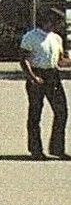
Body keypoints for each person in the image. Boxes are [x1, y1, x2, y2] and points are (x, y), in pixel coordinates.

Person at [19, 11, 70, 160]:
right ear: (47, 21)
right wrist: (32, 77)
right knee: (36, 113)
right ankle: (36, 150)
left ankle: (57, 149)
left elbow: (60, 61)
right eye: (56, 22)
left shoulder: (56, 38)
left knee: (61, 112)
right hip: (37, 74)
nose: (58, 25)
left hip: (52, 75)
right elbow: (24, 59)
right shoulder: (31, 37)